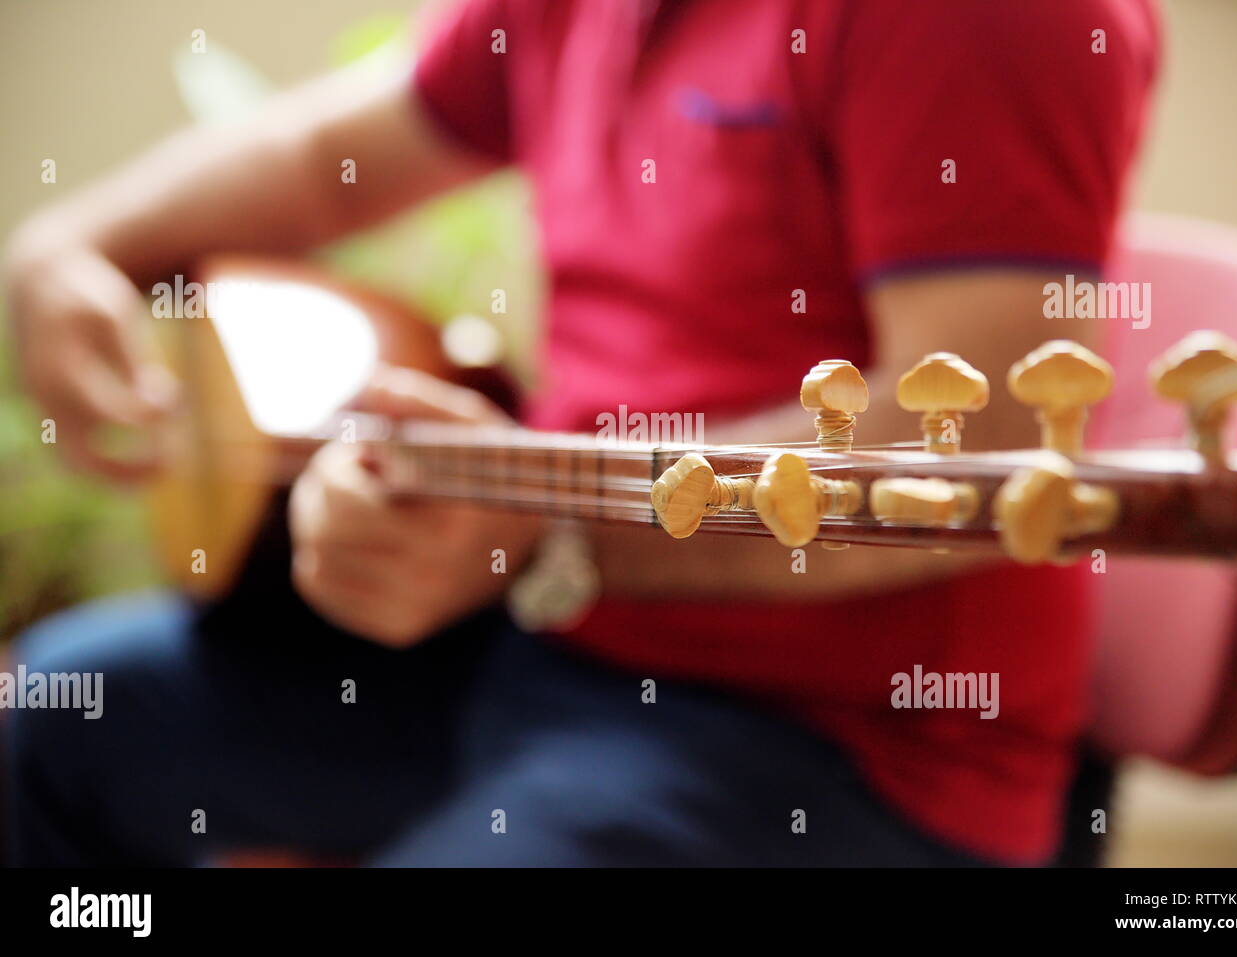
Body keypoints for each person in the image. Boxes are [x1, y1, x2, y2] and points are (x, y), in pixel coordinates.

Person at [2, 0, 1159, 866]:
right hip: (554, 650)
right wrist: (67, 249)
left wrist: (546, 532)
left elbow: (977, 451)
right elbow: (322, 160)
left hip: (853, 752)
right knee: (53, 714)